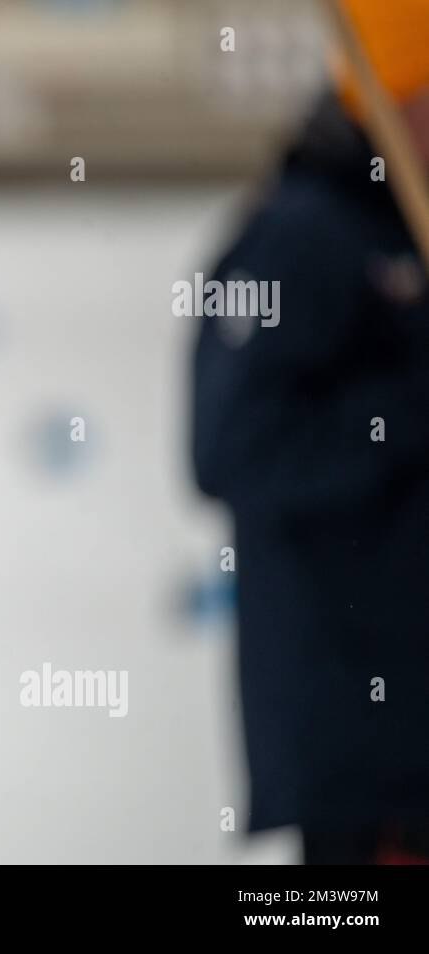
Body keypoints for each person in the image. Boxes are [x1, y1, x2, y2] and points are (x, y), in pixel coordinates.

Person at [190, 1, 429, 864]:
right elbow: (229, 446)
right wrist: (405, 413)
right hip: (368, 760)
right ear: (394, 103)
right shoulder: (299, 235)